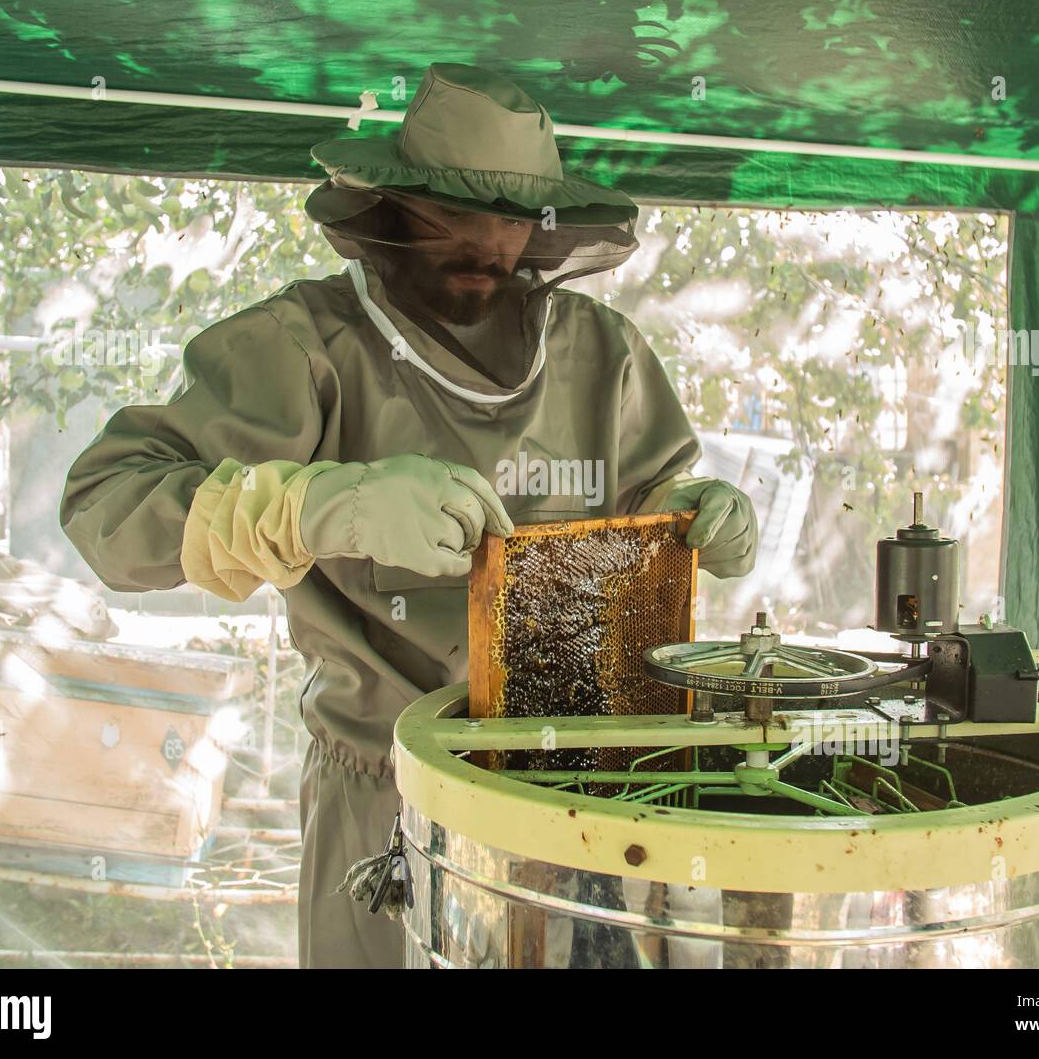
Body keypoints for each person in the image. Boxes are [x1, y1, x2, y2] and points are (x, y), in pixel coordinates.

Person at [60, 62, 757, 968]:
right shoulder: (302, 347)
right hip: (379, 798)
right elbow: (105, 506)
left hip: (578, 797)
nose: (487, 242)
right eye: (454, 212)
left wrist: (690, 513)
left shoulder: (600, 350)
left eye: (510, 218)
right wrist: (319, 506)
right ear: (390, 206)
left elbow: (648, 499)